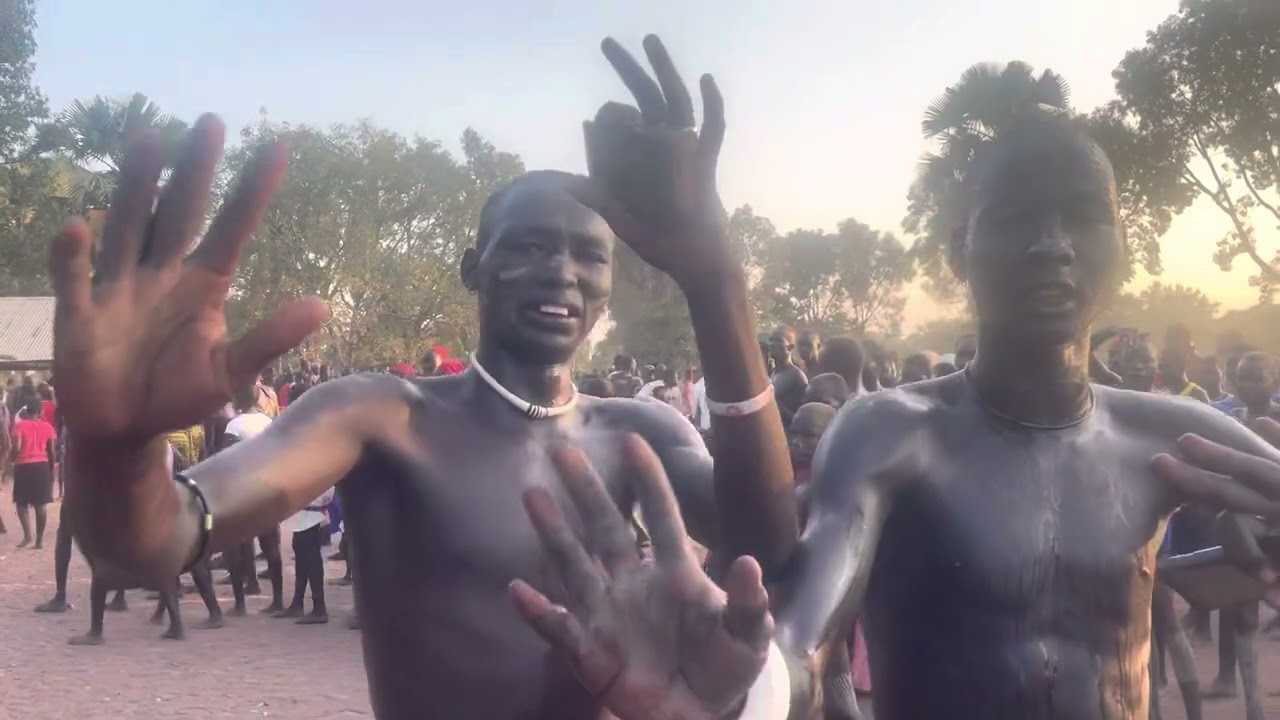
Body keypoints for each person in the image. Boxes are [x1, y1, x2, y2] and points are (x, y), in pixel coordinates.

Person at [56, 35, 794, 720]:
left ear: (608, 289)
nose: (560, 273)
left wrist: (714, 281)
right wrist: (115, 453)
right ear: (474, 270)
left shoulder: (641, 431)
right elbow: (147, 545)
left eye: (587, 257)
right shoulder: (381, 417)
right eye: (530, 246)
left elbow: (766, 542)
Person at [502, 110, 1280, 720]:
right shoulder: (894, 435)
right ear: (956, 250)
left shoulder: (1173, 439)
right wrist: (740, 693)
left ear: (1122, 247)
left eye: (1081, 217)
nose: (1052, 246)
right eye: (1014, 218)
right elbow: (805, 640)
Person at [11, 397, 56, 548]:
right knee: (41, 504)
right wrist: (50, 470)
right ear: (40, 411)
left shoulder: (20, 426)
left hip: (23, 466)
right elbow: (51, 451)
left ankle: (27, 536)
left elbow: (16, 448)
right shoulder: (48, 427)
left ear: (26, 411)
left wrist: (11, 460)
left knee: (21, 503)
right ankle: (39, 540)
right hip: (41, 467)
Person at [768, 326, 808, 427]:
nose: (772, 344)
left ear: (790, 347)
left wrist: (775, 405)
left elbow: (801, 418)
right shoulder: (772, 374)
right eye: (771, 340)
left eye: (779, 341)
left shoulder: (797, 376)